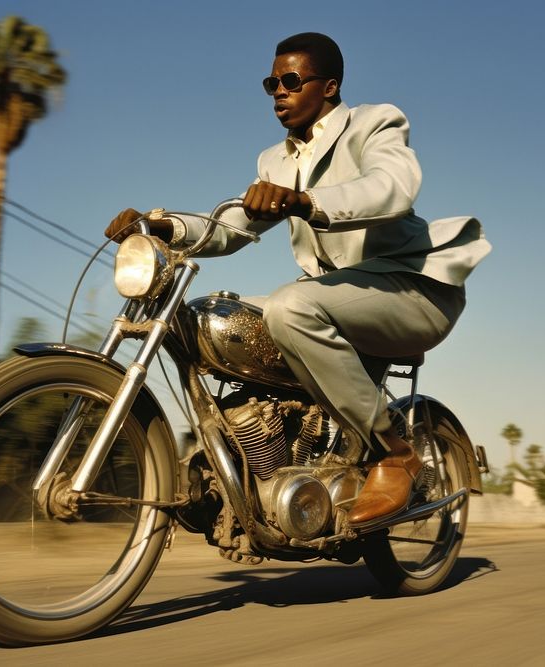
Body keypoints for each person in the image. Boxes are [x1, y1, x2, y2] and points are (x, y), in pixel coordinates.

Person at [106, 32, 490, 526]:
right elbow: (232, 226)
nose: (278, 93)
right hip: (340, 296)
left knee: (291, 307)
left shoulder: (375, 123)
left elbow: (392, 188)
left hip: (411, 288)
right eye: (271, 84)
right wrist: (166, 226)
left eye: (290, 81)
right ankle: (261, 455)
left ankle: (394, 451)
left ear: (328, 87)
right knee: (214, 318)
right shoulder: (275, 160)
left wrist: (308, 202)